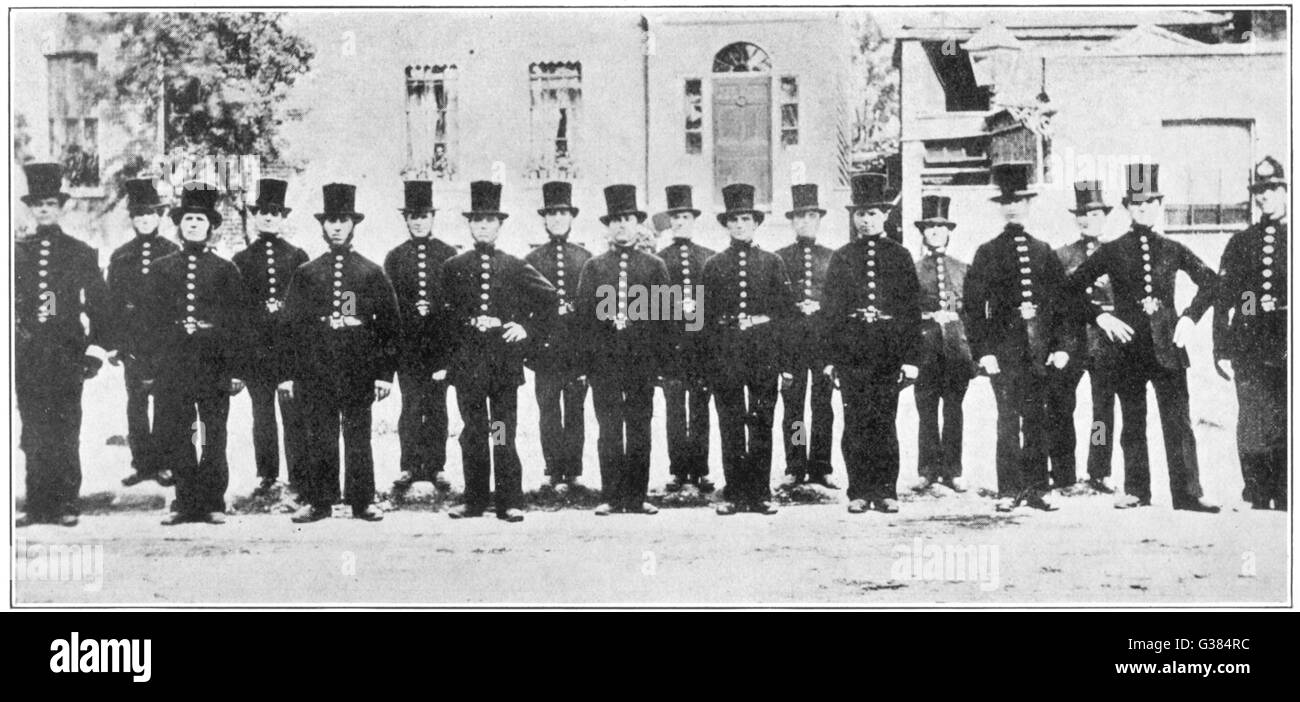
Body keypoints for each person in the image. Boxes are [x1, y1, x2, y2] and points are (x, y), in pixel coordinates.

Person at [1068, 163, 1220, 513]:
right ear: (1127, 208)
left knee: (1178, 422)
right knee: (1133, 422)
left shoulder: (1173, 248)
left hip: (1169, 348)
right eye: (1137, 205)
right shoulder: (1113, 250)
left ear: (1159, 205)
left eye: (1150, 203)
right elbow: (1070, 289)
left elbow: (1212, 282)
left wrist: (1190, 317)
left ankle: (1188, 494)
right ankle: (1137, 490)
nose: (1144, 209)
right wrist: (1101, 316)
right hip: (1129, 351)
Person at [279, 183, 399, 523]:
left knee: (358, 435)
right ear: (322, 226)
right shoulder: (306, 274)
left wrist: (383, 374)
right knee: (321, 435)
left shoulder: (371, 272)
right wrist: (289, 374)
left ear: (352, 225)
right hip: (316, 370)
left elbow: (389, 326)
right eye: (330, 221)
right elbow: (290, 327)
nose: (335, 227)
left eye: (342, 220)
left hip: (358, 369)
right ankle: (320, 501)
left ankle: (363, 501)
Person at [441, 181, 557, 523]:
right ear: (469, 225)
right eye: (477, 221)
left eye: (489, 221)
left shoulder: (514, 265)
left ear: (500, 225)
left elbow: (549, 299)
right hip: (468, 367)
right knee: (473, 433)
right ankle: (474, 500)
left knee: (502, 430)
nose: (483, 227)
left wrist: (526, 329)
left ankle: (509, 500)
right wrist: (459, 340)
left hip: (504, 366)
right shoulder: (454, 267)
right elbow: (444, 315)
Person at [964, 164, 1073, 513]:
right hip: (1004, 352)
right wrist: (984, 352)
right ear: (1000, 207)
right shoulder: (987, 252)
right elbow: (972, 308)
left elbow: (1059, 305)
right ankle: (1008, 490)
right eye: (1006, 202)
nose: (1012, 208)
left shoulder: (1043, 251)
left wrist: (1059, 346)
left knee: (1038, 418)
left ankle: (1039, 488)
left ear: (1028, 205)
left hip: (1039, 350)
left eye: (1019, 201)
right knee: (1007, 420)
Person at [144, 181, 251, 525]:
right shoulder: (162, 268)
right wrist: (153, 367)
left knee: (212, 433)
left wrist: (236, 371)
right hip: (175, 365)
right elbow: (153, 323)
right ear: (179, 224)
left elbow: (238, 325)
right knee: (180, 433)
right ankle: (185, 503)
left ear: (210, 227)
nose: (193, 224)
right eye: (188, 218)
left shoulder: (225, 270)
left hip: (213, 365)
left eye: (200, 220)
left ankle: (213, 502)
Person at [14, 162, 112, 527]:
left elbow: (100, 307)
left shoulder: (79, 253)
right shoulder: (15, 252)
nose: (43, 209)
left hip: (66, 356)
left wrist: (94, 351)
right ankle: (38, 505)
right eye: (37, 203)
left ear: (61, 206)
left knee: (65, 429)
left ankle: (67, 503)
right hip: (26, 356)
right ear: (30, 207)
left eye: (50, 203)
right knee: (32, 431)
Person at [823, 174, 921, 514]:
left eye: (873, 214)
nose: (866, 220)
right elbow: (831, 313)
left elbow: (911, 312)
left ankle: (886, 490)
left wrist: (911, 358)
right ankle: (858, 492)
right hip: (852, 353)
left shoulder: (901, 256)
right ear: (853, 217)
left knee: (884, 421)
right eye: (861, 214)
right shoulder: (841, 257)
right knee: (855, 423)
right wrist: (831, 359)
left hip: (887, 352)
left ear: (885, 216)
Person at [575, 184, 670, 515]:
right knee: (610, 428)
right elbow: (584, 322)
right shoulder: (595, 267)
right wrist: (586, 366)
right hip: (605, 364)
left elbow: (664, 320)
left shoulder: (654, 266)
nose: (621, 226)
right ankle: (612, 495)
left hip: (642, 362)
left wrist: (661, 365)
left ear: (637, 223)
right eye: (614, 220)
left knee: (640, 426)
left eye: (627, 219)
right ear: (608, 226)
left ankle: (637, 495)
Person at [702, 183, 795, 516]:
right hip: (726, 352)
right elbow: (704, 319)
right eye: (733, 220)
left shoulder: (772, 263)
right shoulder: (713, 266)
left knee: (761, 421)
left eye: (745, 219)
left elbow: (785, 316)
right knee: (729, 422)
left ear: (756, 223)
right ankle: (735, 493)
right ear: (726, 225)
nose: (739, 225)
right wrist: (707, 363)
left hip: (763, 352)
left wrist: (785, 363)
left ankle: (759, 493)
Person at [1213, 156, 1287, 511]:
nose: (1265, 197)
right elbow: (1229, 297)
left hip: (1289, 344)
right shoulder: (1242, 243)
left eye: (1272, 189)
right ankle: (1257, 491)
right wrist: (1221, 347)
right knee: (1253, 420)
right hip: (1251, 346)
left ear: (1286, 191)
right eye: (1259, 191)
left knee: (1288, 417)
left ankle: (1287, 490)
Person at [231, 178, 309, 497]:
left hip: (289, 353)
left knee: (294, 415)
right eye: (262, 211)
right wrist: (238, 363)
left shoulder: (298, 257)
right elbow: (236, 316)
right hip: (256, 353)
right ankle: (267, 475)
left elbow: (307, 309)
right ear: (254, 215)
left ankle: (300, 474)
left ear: (283, 217)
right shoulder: (241, 260)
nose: (267, 217)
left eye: (274, 212)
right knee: (262, 415)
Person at [385, 180, 458, 495]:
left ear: (432, 218)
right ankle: (410, 466)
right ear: (406, 219)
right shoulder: (395, 257)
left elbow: (456, 305)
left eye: (423, 215)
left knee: (438, 406)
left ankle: (437, 467)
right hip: (409, 347)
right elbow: (390, 306)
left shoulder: (448, 254)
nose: (418, 221)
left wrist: (450, 353)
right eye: (412, 216)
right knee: (411, 406)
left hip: (439, 348)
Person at [1046, 181, 1119, 494]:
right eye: (1083, 214)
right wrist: (1054, 346)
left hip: (1107, 342)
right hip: (1070, 339)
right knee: (1061, 407)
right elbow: (1052, 304)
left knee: (1102, 410)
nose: (1089, 219)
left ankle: (1099, 471)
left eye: (1095, 212)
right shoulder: (1060, 256)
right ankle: (1062, 473)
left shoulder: (1117, 254)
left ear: (1104, 216)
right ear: (1076, 219)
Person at [107, 177, 179, 489]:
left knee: (164, 401)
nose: (144, 220)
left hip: (165, 339)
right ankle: (142, 463)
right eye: (138, 215)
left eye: (150, 214)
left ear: (159, 216)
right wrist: (113, 344)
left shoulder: (173, 251)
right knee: (135, 403)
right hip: (133, 340)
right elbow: (111, 303)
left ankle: (164, 463)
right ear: (133, 219)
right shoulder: (121, 256)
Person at [524, 181, 591, 492]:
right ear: (545, 219)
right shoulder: (533, 259)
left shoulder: (586, 258)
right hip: (546, 351)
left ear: (571, 217)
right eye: (551, 214)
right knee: (548, 410)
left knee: (575, 411)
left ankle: (574, 471)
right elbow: (525, 308)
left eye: (562, 214)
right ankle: (553, 469)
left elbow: (591, 309)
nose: (557, 220)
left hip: (577, 351)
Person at [775, 184, 838, 490]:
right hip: (792, 344)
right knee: (794, 408)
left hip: (824, 344)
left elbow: (840, 303)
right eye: (799, 217)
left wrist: (821, 306)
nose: (805, 222)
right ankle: (795, 463)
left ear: (819, 219)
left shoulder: (833, 258)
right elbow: (774, 304)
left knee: (823, 406)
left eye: (811, 216)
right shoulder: (779, 258)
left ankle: (822, 466)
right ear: (792, 221)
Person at [911, 194, 976, 493]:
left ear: (949, 231)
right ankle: (927, 470)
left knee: (953, 410)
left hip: (955, 350)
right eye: (929, 228)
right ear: (923, 233)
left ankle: (953, 469)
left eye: (940, 227)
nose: (935, 232)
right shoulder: (912, 269)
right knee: (926, 412)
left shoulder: (962, 269)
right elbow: (907, 312)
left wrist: (972, 351)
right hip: (925, 350)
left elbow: (971, 312)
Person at [655, 184, 716, 493]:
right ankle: (679, 470)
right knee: (675, 410)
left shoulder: (709, 258)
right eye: (674, 217)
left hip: (702, 348)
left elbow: (718, 306)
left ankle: (701, 469)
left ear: (694, 219)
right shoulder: (658, 259)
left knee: (701, 409)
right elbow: (651, 308)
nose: (679, 222)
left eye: (685, 216)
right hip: (671, 348)